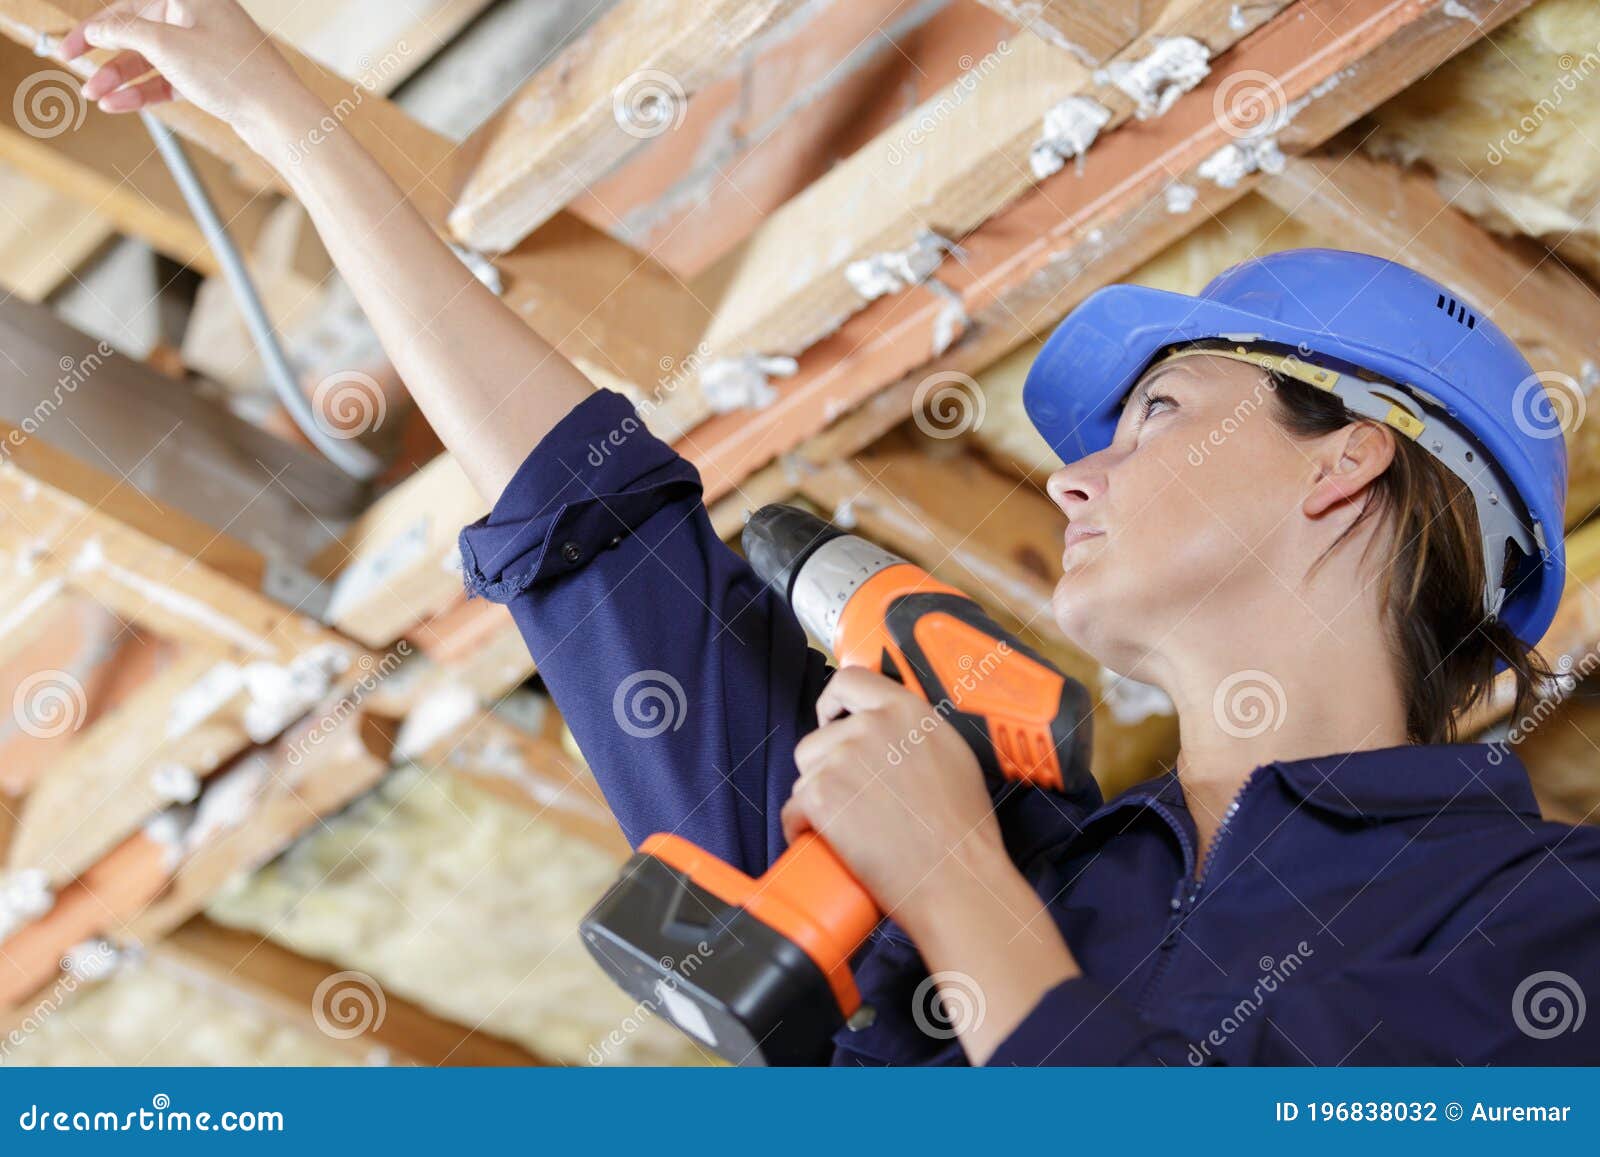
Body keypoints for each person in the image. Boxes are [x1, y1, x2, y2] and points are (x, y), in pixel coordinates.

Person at [68, 0, 1600, 1065]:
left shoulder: (1545, 925)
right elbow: (596, 531)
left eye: (1159, 415)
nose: (1069, 478)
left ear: (1348, 471)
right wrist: (290, 119)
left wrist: (958, 888)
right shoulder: (998, 846)